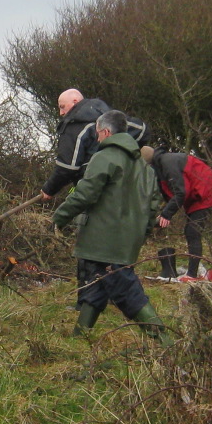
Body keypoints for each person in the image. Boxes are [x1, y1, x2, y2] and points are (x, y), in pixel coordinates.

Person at [50, 110, 168, 339]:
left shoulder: (104, 157)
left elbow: (85, 194)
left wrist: (58, 218)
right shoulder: (145, 167)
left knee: (126, 291)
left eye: (97, 134)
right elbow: (154, 204)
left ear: (105, 131)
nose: (96, 139)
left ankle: (165, 340)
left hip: (104, 240)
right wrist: (141, 235)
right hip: (127, 240)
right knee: (96, 286)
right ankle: (79, 337)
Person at [37, 89, 150, 200]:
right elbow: (143, 131)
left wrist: (49, 189)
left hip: (91, 188)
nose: (61, 113)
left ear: (75, 102)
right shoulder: (110, 117)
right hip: (123, 184)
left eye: (62, 107)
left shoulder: (73, 127)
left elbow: (67, 167)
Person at [146, 147, 212, 281]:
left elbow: (181, 192)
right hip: (195, 195)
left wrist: (166, 214)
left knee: (192, 231)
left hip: (205, 192)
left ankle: (192, 275)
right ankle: (192, 271)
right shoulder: (159, 169)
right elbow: (167, 195)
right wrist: (158, 215)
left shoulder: (167, 163)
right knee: (191, 230)